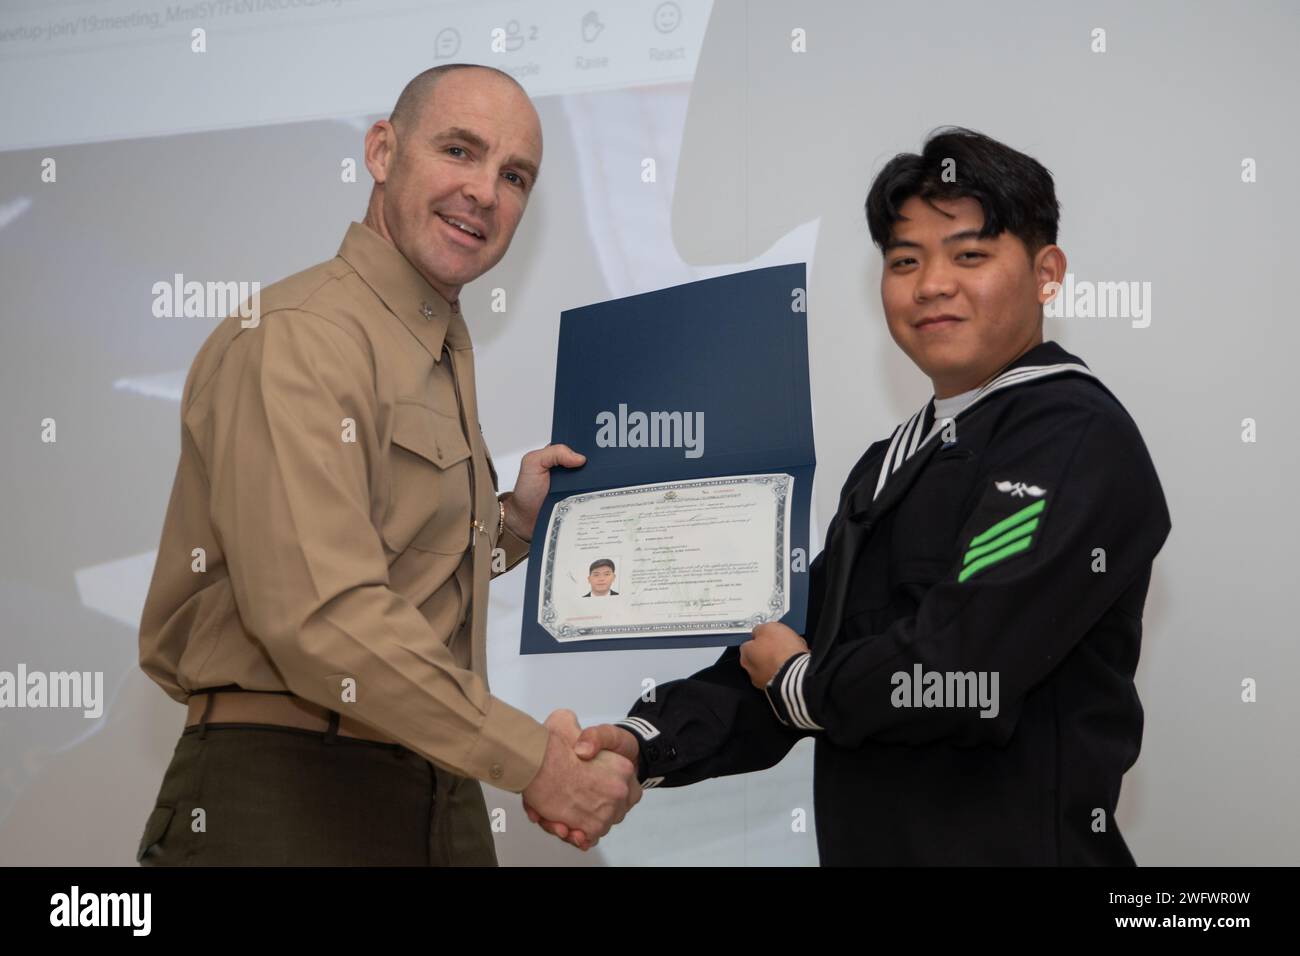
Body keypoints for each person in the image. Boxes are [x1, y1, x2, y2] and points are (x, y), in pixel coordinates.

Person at [528, 127, 1172, 865]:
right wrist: (644, 743)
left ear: (1046, 272)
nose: (931, 283)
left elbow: (964, 669)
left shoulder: (1071, 435)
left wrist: (803, 684)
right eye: (905, 260)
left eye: (970, 254)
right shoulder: (892, 461)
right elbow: (791, 648)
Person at [135, 63, 639, 866]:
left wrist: (512, 523)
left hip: (433, 779)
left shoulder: (429, 345)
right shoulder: (300, 336)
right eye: (459, 151)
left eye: (514, 175)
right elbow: (320, 614)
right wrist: (535, 760)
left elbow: (387, 554)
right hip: (292, 788)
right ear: (380, 151)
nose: (484, 191)